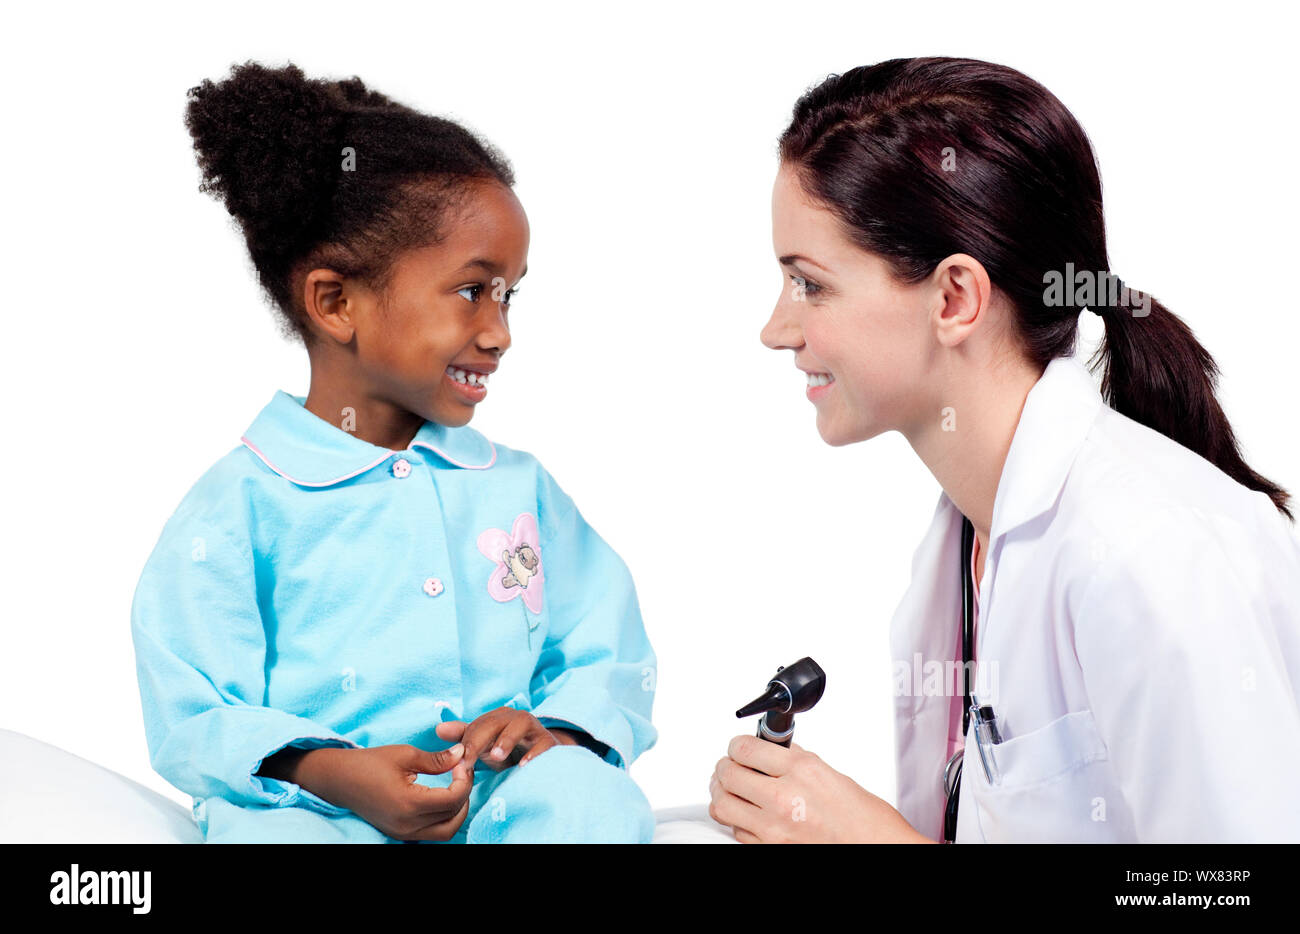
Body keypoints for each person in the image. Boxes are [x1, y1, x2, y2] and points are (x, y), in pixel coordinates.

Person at [709, 56, 1300, 843]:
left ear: (954, 298)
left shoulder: (1152, 556)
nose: (777, 329)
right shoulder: (962, 542)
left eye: (810, 284)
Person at [130, 61, 657, 844]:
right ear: (336, 302)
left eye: (510, 295)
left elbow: (605, 648)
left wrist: (553, 732)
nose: (499, 331)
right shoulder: (243, 503)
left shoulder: (518, 489)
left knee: (591, 801)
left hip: (497, 805)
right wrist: (325, 769)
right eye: (473, 290)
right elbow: (193, 706)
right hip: (319, 814)